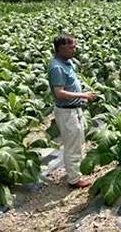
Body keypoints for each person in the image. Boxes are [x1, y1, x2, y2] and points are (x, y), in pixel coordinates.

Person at [48, 34, 97, 188]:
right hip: (67, 112)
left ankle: (75, 171)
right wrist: (83, 95)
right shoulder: (56, 67)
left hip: (75, 109)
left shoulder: (67, 62)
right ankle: (74, 180)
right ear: (60, 49)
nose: (74, 50)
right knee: (72, 146)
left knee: (78, 141)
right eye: (71, 47)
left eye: (74, 46)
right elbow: (59, 93)